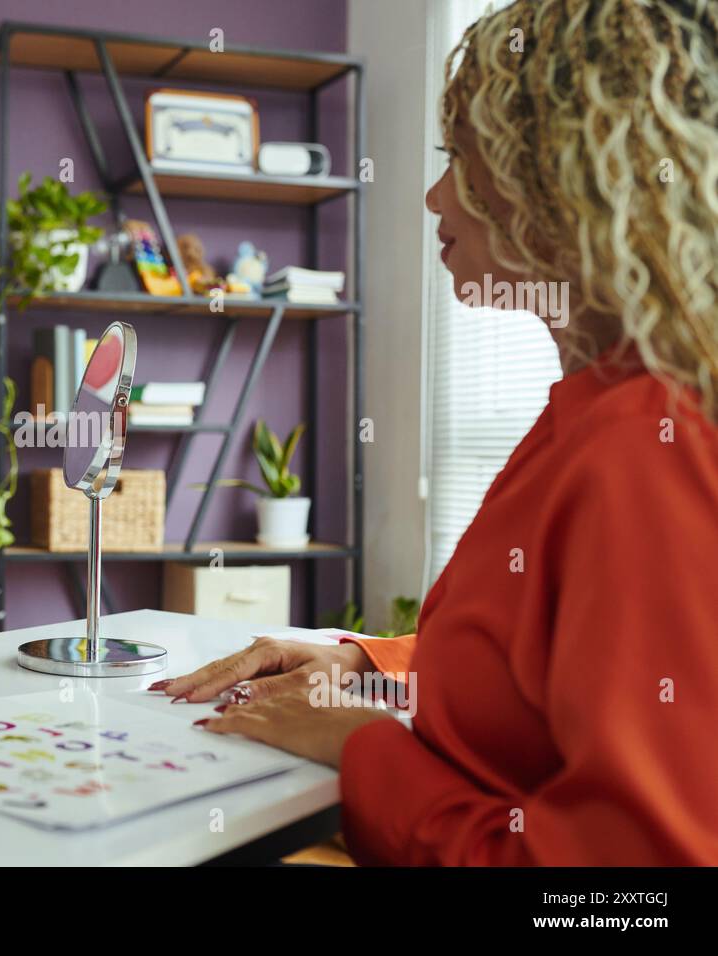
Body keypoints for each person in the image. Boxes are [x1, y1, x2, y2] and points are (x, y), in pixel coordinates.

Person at [155, 0, 718, 865]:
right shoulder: (601, 407)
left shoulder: (650, 444)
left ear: (562, 178)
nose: (431, 194)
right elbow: (540, 679)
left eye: (460, 157)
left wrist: (361, 749)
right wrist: (364, 665)